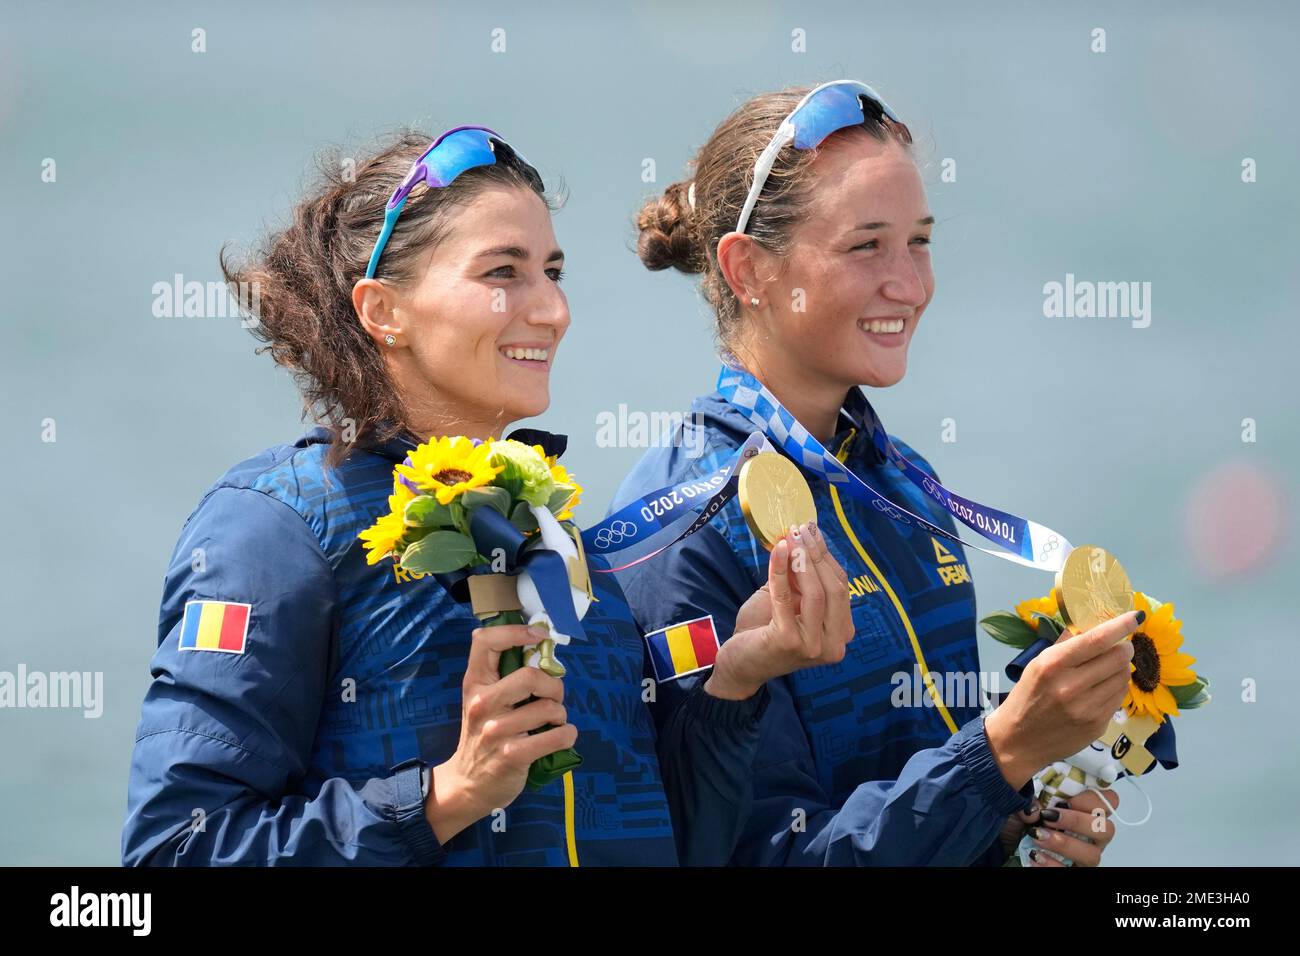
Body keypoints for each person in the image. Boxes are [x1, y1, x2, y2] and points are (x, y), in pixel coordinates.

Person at [121, 125, 849, 866]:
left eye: (553, 272)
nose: (553, 310)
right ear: (382, 310)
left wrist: (735, 680)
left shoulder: (552, 536)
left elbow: (680, 844)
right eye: (503, 272)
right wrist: (447, 796)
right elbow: (174, 850)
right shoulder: (276, 528)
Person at [611, 82, 1141, 866]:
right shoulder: (678, 529)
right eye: (867, 247)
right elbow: (764, 855)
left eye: (919, 241)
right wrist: (997, 754)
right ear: (750, 269)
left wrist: (1020, 821)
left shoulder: (901, 482)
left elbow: (914, 788)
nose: (911, 284)